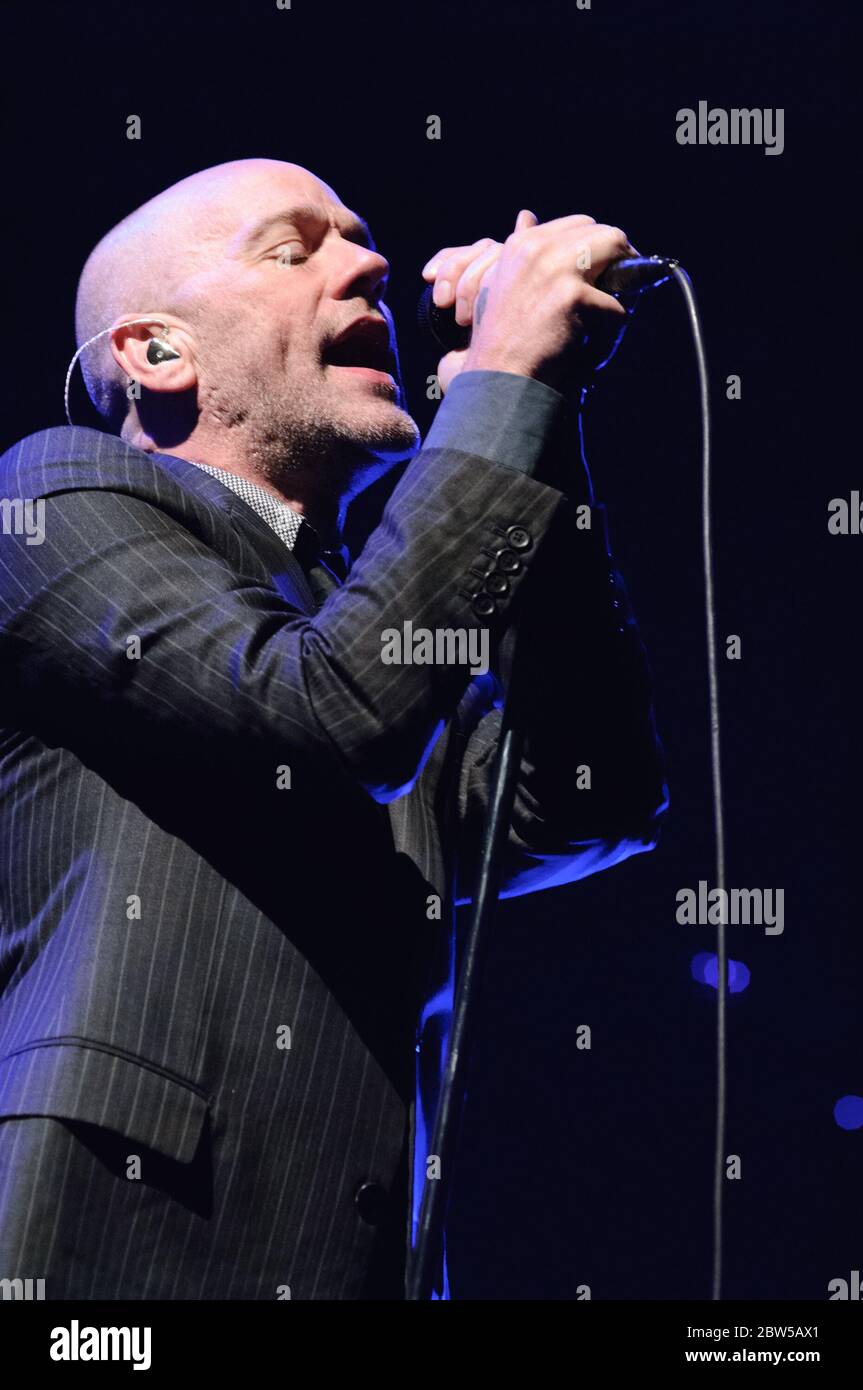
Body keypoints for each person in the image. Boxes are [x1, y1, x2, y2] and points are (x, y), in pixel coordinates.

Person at [0, 158, 666, 1300]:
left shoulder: (365, 612)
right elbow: (331, 710)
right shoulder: (52, 499)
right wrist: (504, 378)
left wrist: (533, 416)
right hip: (120, 1257)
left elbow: (585, 799)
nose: (369, 264)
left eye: (359, 238)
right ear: (157, 354)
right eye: (293, 248)